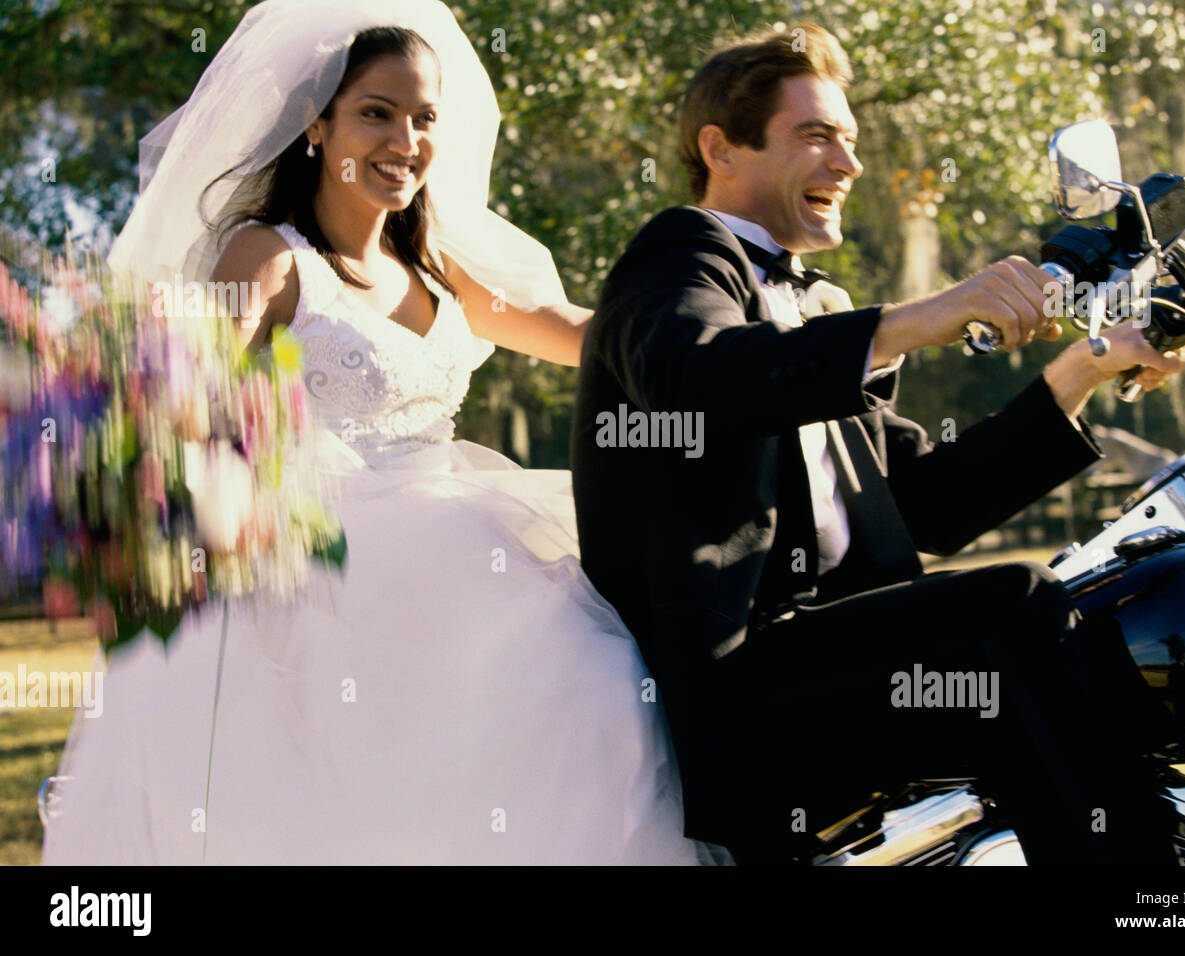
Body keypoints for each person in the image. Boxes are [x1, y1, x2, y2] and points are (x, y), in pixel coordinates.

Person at [42, 0, 720, 865]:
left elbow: (585, 333)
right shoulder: (268, 256)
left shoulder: (439, 267)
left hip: (461, 551)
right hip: (314, 571)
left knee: (594, 694)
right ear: (317, 127)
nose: (406, 139)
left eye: (424, 117)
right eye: (377, 112)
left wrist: (742, 333)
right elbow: (185, 398)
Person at [571, 24, 1185, 865]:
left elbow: (931, 507)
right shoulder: (678, 256)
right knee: (1015, 601)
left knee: (1102, 610)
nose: (848, 164)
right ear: (721, 148)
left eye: (851, 140)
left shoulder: (817, 305)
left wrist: (1086, 367)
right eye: (816, 136)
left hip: (845, 659)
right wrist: (916, 320)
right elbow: (696, 376)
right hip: (749, 692)